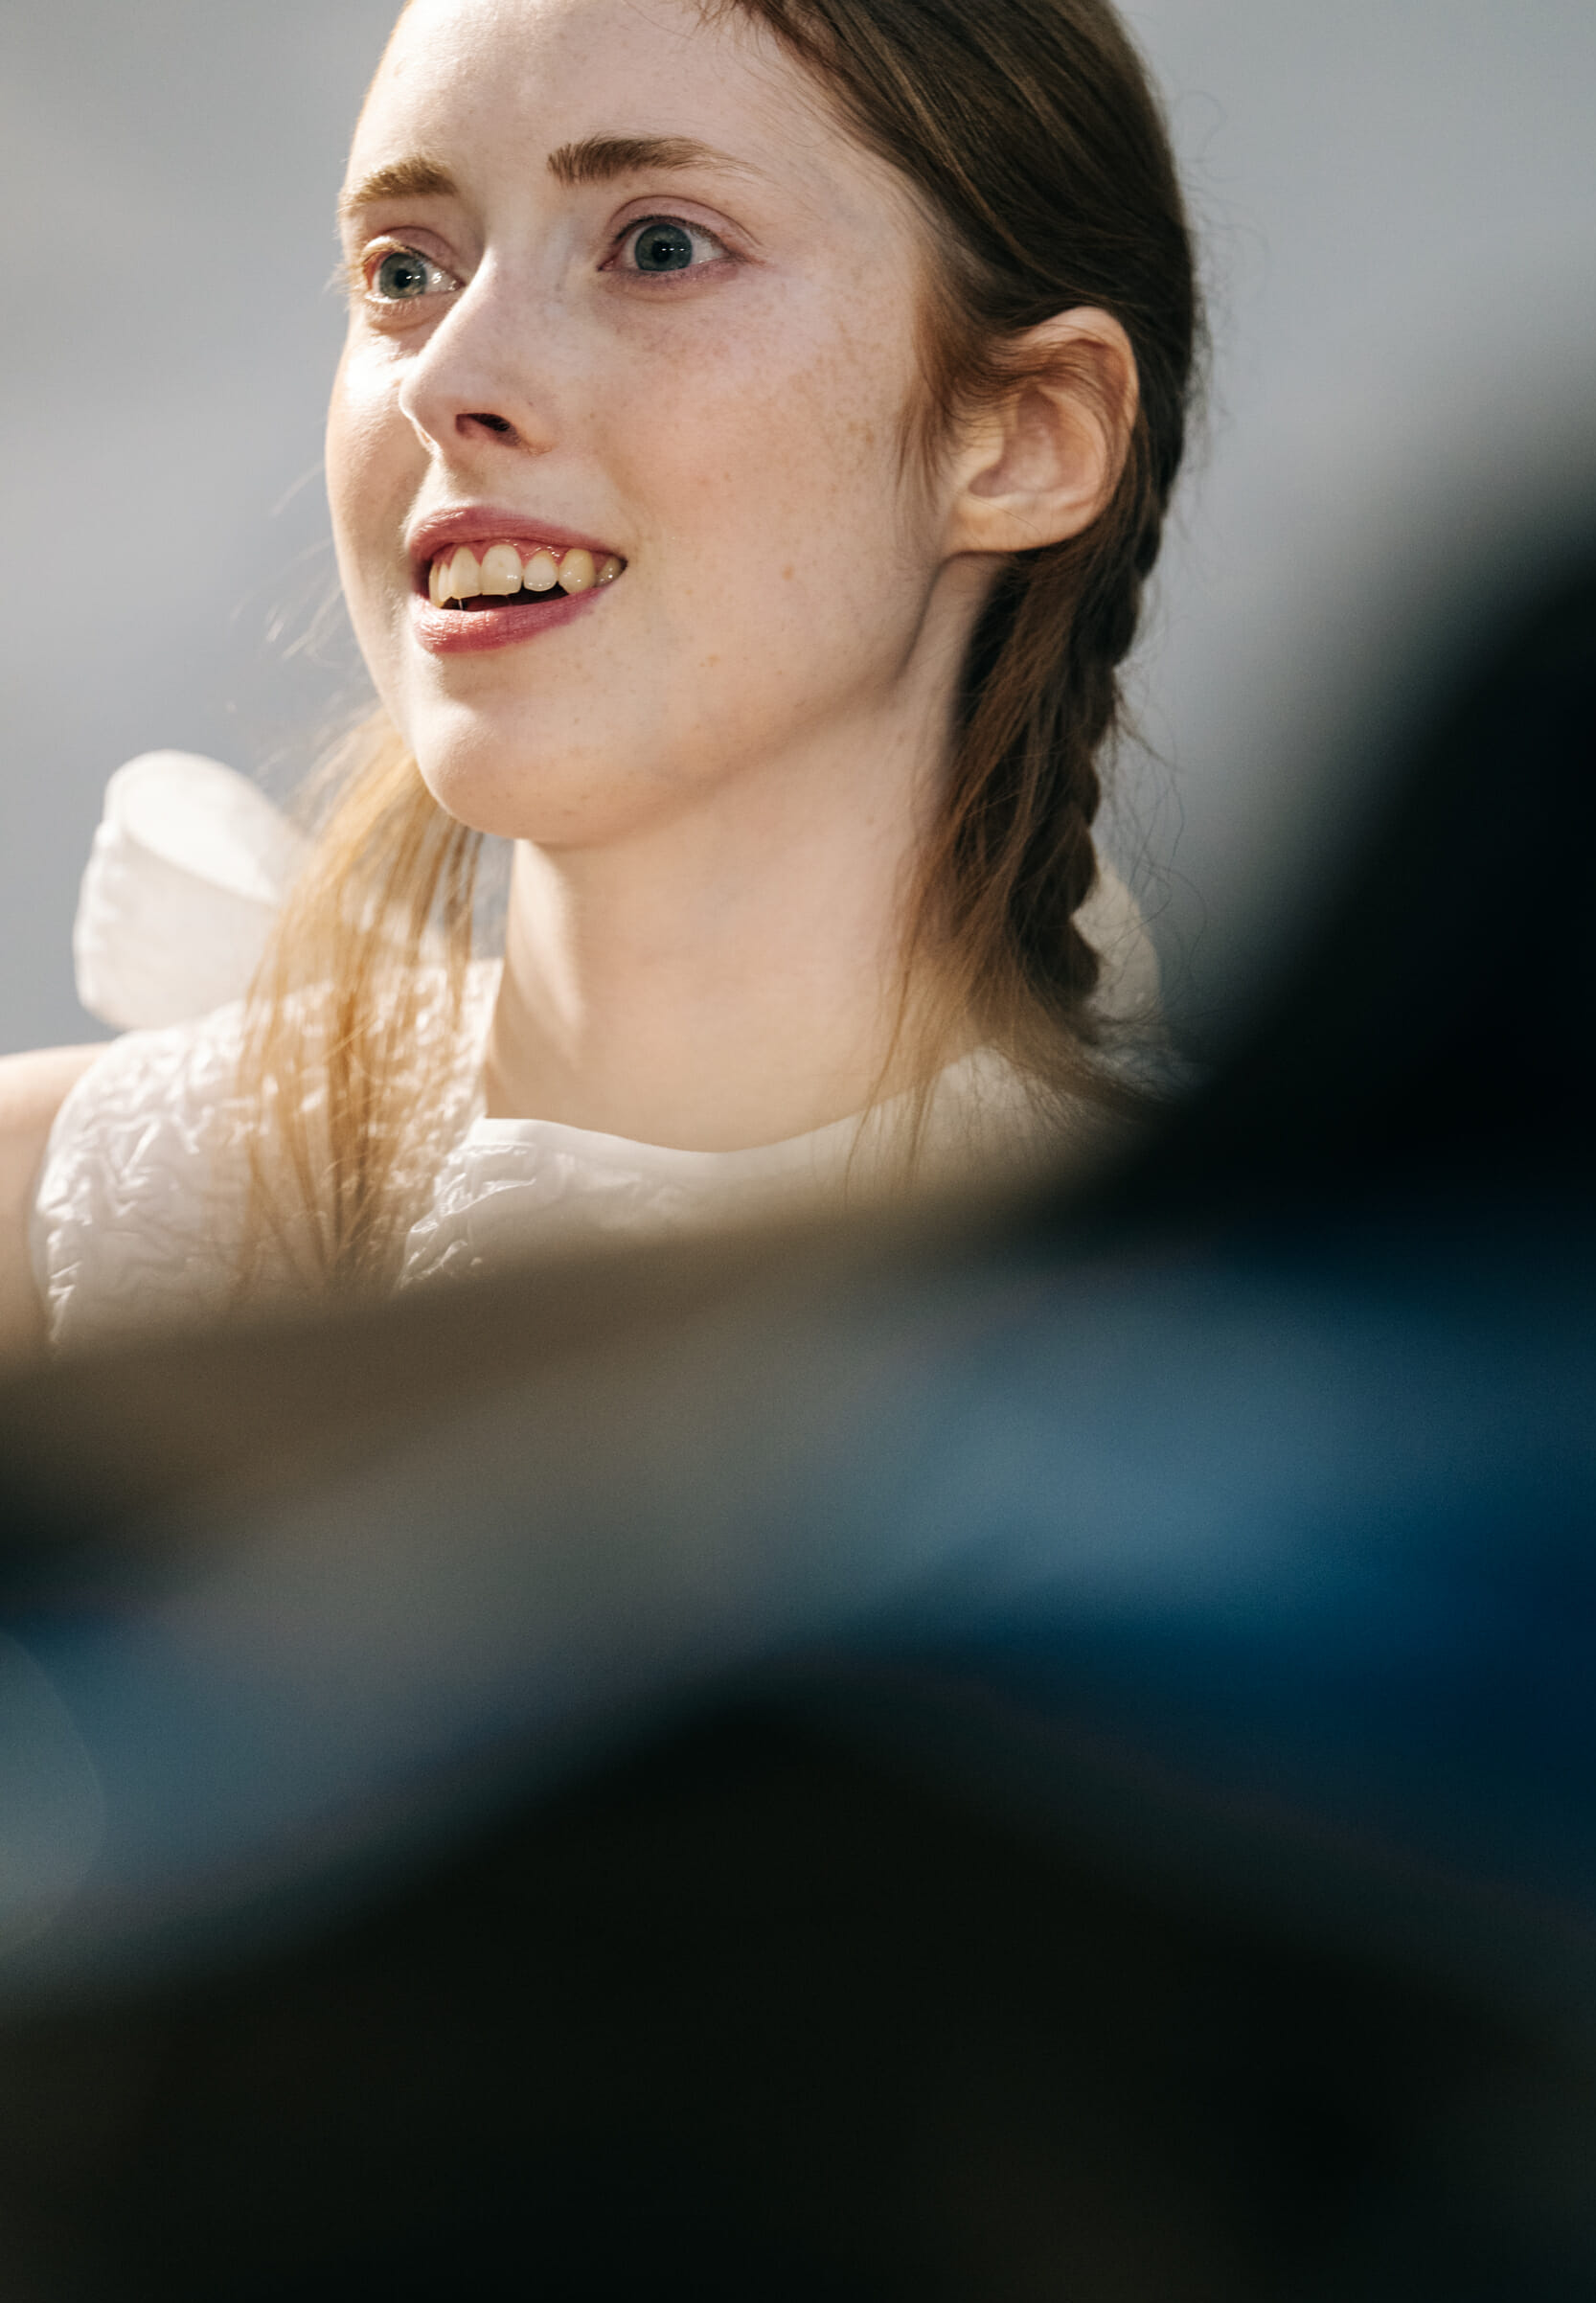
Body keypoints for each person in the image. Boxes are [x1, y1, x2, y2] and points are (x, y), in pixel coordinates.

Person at [0, 0, 1199, 1352]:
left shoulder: (1233, 1331)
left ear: (1024, 435)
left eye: (660, 247)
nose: (446, 376)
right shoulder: (43, 1239)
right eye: (404, 271)